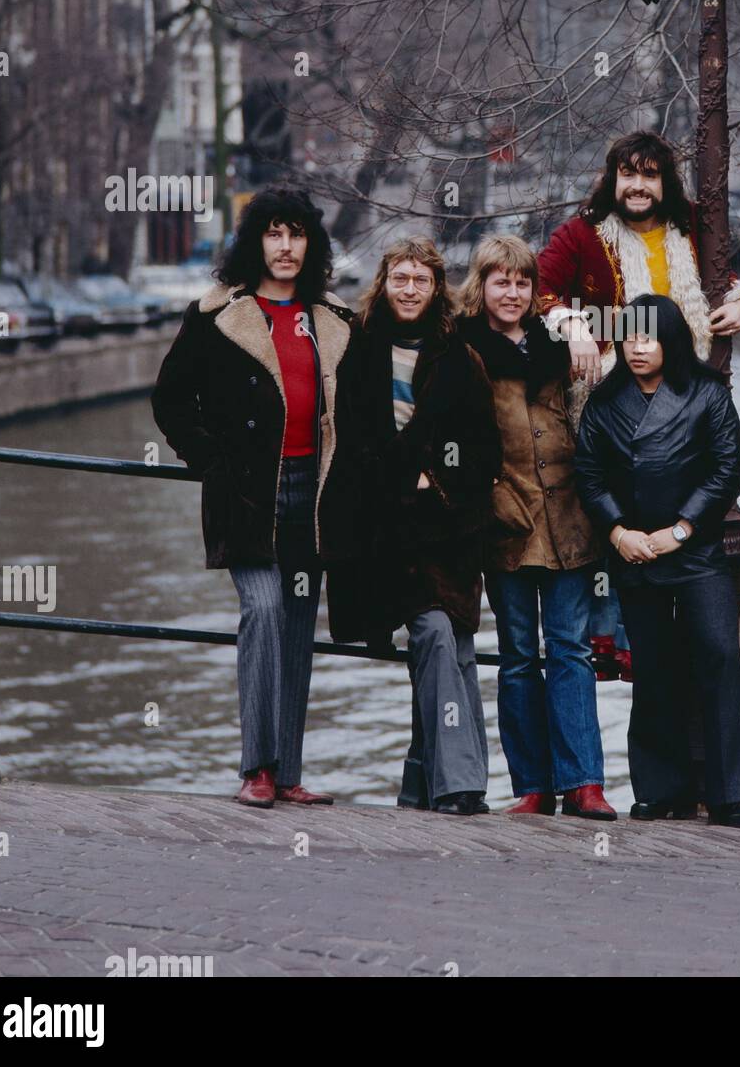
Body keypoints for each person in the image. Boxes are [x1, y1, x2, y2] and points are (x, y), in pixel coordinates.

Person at [537, 130, 740, 679]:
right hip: (611, 407)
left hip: (689, 404)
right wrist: (571, 324)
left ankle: (676, 648)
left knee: (688, 505)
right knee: (621, 512)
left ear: (663, 182)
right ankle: (622, 646)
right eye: (628, 174)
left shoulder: (690, 228)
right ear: (613, 179)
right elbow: (541, 291)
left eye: (649, 175)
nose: (637, 185)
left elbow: (733, 282)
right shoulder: (582, 235)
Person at [152, 185, 357, 808]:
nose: (286, 246)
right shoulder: (216, 315)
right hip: (248, 497)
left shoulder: (335, 320)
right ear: (255, 242)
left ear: (311, 244)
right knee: (264, 612)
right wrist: (213, 461)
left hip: (311, 496)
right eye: (274, 233)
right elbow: (170, 402)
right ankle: (256, 770)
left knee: (297, 629)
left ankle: (289, 772)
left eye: (296, 234)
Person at [574, 294, 740, 829]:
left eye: (649, 338)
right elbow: (587, 474)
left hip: (697, 550)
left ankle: (735, 794)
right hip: (635, 554)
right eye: (629, 338)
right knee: (653, 669)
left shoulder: (707, 393)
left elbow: (727, 468)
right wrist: (617, 531)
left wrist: (681, 528)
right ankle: (661, 789)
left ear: (671, 341)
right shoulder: (605, 402)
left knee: (720, 657)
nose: (637, 348)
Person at [327, 236, 501, 816]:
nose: (409, 290)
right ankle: (459, 786)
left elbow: (482, 449)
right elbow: (353, 442)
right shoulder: (361, 349)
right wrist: (406, 478)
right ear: (385, 283)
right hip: (387, 533)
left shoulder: (460, 357)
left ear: (436, 288)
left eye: (420, 281)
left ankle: (425, 782)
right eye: (400, 279)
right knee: (432, 635)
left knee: (455, 646)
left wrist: (441, 476)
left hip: (449, 533)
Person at [456, 235, 615, 820]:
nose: (513, 292)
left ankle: (585, 782)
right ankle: (532, 786)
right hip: (506, 521)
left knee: (570, 649)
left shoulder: (559, 343)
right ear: (483, 285)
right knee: (519, 654)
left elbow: (594, 409)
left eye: (523, 282)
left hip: (570, 515)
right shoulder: (464, 346)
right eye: (502, 281)